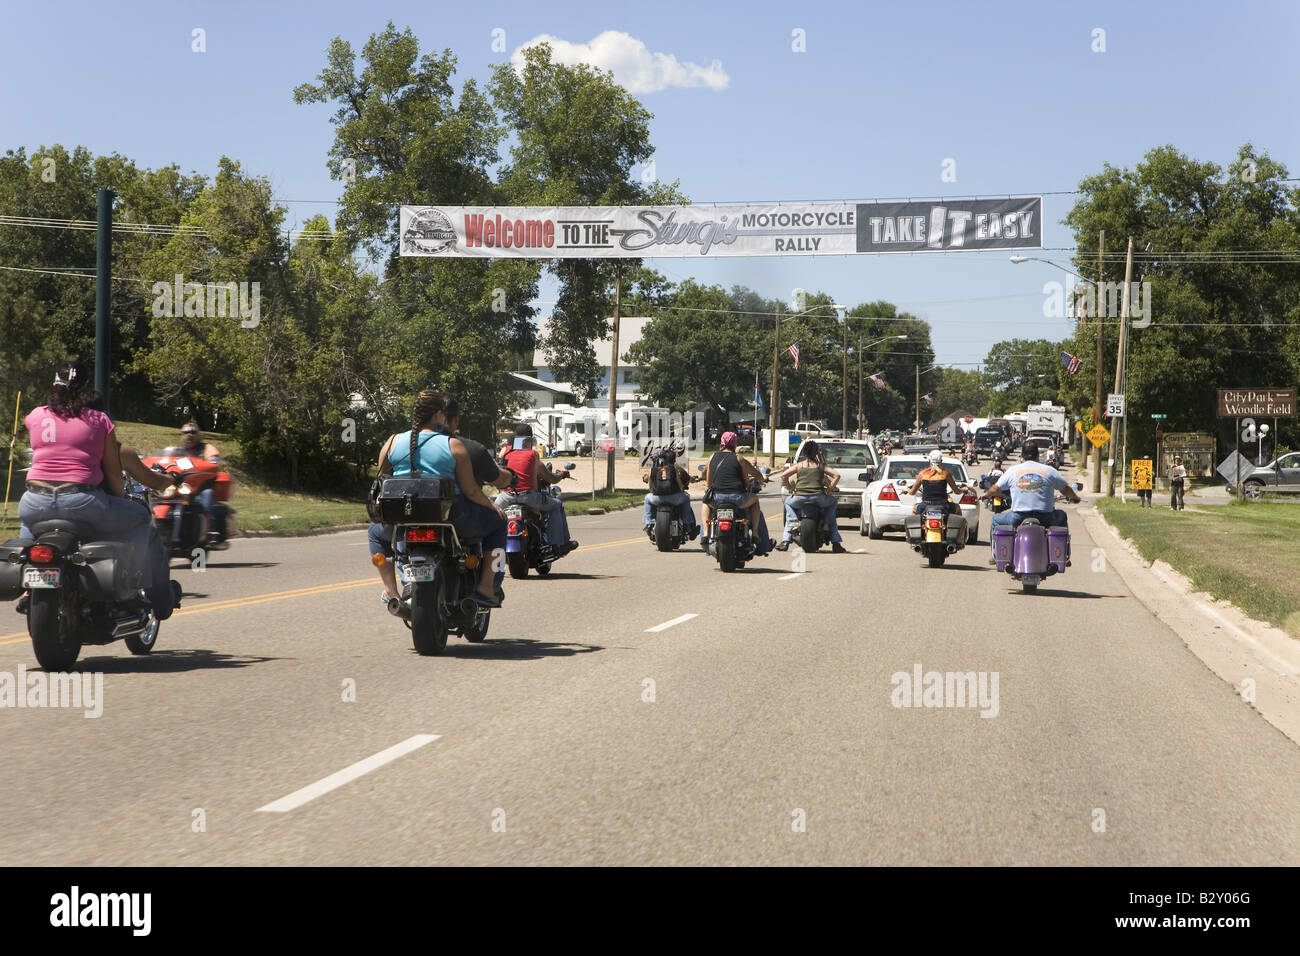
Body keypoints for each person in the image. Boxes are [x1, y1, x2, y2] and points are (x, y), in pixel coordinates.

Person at [16, 361, 180, 620]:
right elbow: (114, 474)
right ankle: (138, 584)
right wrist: (119, 498)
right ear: (84, 388)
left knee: (32, 523)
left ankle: (28, 586)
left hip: (33, 500)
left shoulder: (35, 416)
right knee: (139, 516)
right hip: (81, 500)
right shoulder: (99, 420)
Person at [368, 390, 505, 610]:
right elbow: (470, 491)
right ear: (439, 415)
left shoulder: (393, 442)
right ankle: (487, 588)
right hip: (451, 515)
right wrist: (492, 506)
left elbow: (381, 481)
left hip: (404, 517)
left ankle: (391, 591)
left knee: (375, 532)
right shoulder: (453, 445)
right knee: (498, 523)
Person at [495, 424, 577, 554]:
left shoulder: (505, 452)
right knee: (557, 505)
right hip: (527, 496)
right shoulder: (532, 454)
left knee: (491, 513)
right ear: (529, 439)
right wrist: (561, 474)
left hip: (506, 496)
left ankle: (486, 548)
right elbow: (547, 479)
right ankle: (559, 545)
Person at [982, 442, 1080, 534]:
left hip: (1018, 517)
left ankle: (996, 552)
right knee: (1062, 515)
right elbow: (1065, 489)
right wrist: (1075, 498)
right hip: (1046, 517)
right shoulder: (1050, 471)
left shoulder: (1012, 471)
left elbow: (995, 489)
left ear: (1022, 455)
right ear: (1037, 455)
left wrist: (985, 495)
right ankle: (1061, 551)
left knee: (996, 520)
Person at [701, 431, 771, 554]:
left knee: (705, 502)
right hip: (737, 499)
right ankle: (755, 533)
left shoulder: (712, 457)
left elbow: (707, 482)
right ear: (735, 443)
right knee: (755, 499)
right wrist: (762, 478)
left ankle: (706, 533)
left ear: (722, 442)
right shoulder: (739, 458)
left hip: (717, 499)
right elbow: (754, 475)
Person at [773, 440, 846, 553]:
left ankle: (786, 539)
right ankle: (832, 537)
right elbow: (837, 475)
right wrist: (830, 488)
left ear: (804, 452)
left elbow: (783, 476)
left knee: (788, 503)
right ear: (816, 453)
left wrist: (791, 489)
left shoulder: (798, 465)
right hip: (819, 498)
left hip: (800, 498)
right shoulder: (820, 466)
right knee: (833, 503)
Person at [169, 421, 222, 544]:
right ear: (182, 435)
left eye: (193, 432)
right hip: (181, 488)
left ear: (199, 435)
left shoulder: (207, 448)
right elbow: (165, 462)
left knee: (208, 494)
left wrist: (213, 462)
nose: (189, 435)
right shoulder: (176, 451)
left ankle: (211, 531)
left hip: (201, 488)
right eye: (186, 432)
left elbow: (214, 462)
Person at [641, 441, 698, 540]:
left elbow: (650, 487)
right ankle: (687, 524)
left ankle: (649, 523)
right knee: (686, 498)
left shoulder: (652, 469)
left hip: (657, 498)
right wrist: (681, 491)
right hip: (674, 498)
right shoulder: (675, 468)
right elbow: (680, 483)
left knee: (647, 498)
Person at [904, 450, 972, 519]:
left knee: (915, 509)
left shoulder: (922, 474)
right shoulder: (946, 473)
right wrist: (963, 489)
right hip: (944, 505)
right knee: (957, 508)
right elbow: (957, 491)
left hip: (925, 505)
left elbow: (912, 492)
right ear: (941, 461)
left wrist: (907, 490)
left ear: (929, 461)